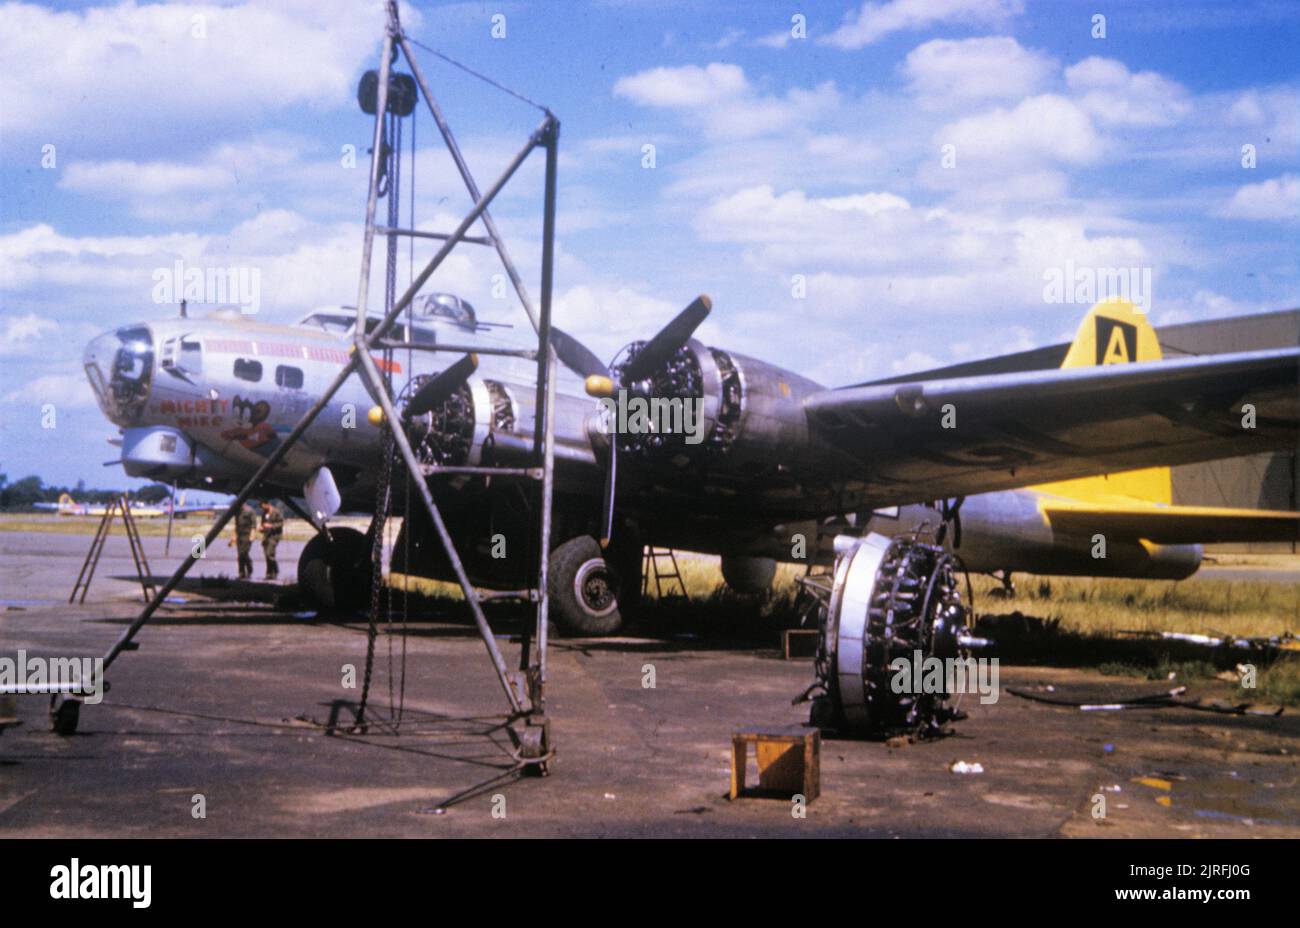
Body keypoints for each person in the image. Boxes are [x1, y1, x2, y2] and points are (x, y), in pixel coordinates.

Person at [230, 501, 258, 580]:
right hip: (239, 535)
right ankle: (241, 573)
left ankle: (249, 568)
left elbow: (253, 525)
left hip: (247, 535)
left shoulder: (250, 511)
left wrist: (252, 536)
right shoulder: (237, 512)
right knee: (240, 555)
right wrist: (233, 536)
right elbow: (236, 525)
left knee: (243, 553)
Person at [260, 501, 285, 581]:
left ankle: (274, 572)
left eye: (263, 506)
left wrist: (271, 526)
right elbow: (263, 524)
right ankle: (269, 573)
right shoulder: (264, 513)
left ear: (267, 504)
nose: (262, 508)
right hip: (266, 536)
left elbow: (281, 523)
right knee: (267, 555)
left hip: (274, 536)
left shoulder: (276, 512)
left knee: (269, 554)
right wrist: (262, 528)